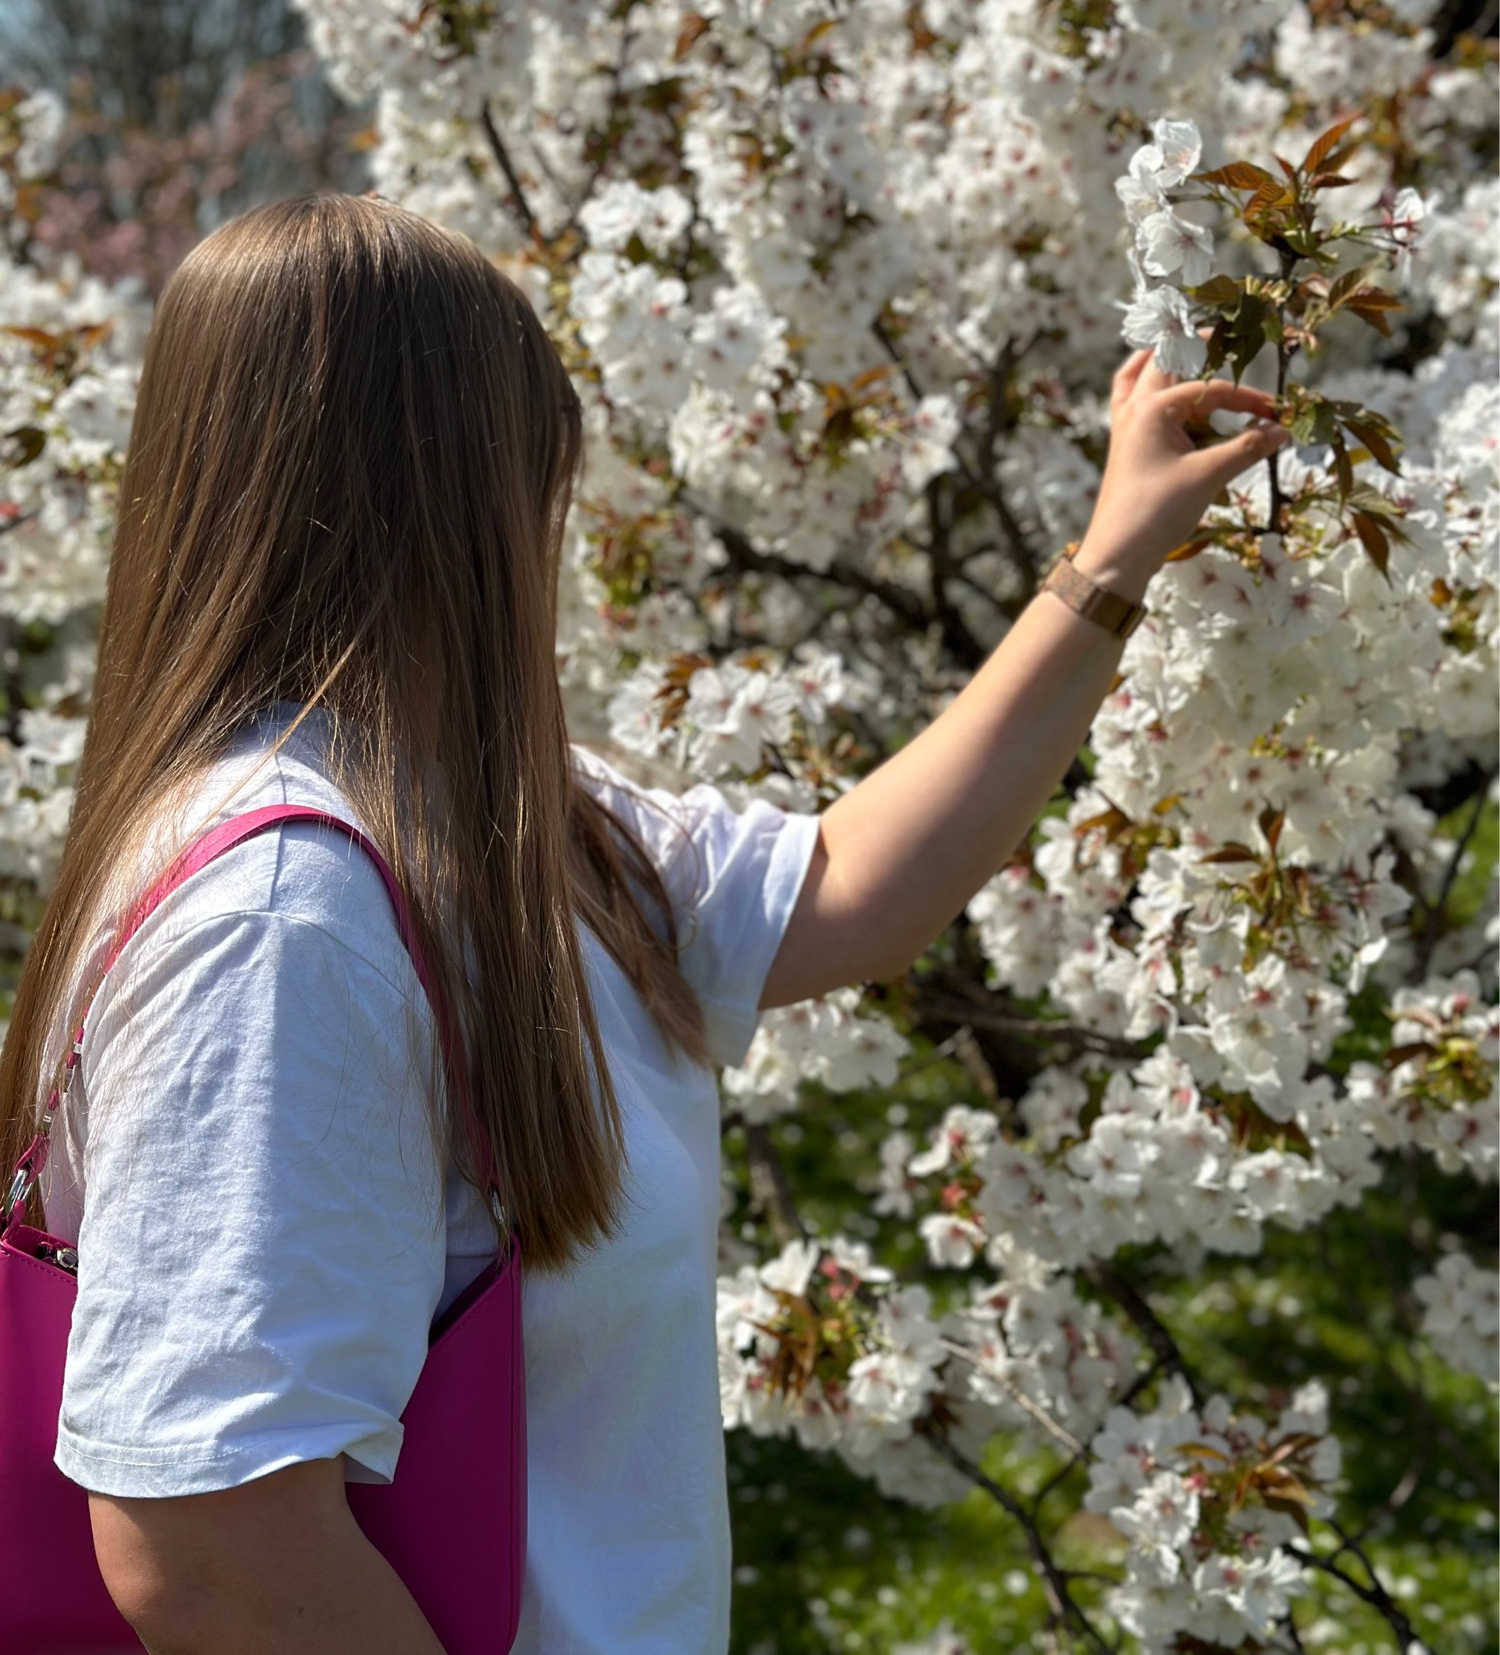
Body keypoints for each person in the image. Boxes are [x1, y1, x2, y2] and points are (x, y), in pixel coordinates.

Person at [0, 191, 1291, 1653]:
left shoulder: (507, 818)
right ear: (450, 493)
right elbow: (210, 1544)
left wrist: (1108, 568)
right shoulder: (289, 916)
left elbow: (848, 890)